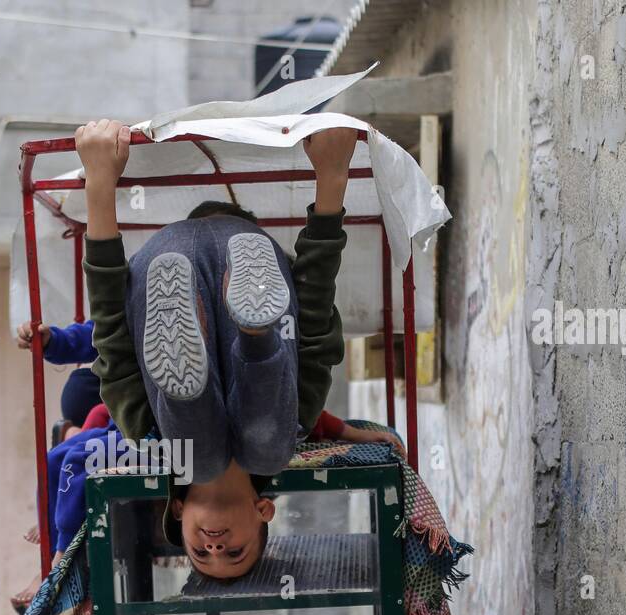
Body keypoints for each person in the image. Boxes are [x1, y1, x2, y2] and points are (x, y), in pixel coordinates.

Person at [76, 118, 401, 580]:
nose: (215, 547)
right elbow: (312, 311)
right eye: (235, 553)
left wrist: (100, 181)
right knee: (272, 448)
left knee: (189, 452)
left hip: (163, 269)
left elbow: (110, 327)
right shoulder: (292, 426)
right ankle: (254, 330)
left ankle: (209, 347)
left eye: (200, 553)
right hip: (247, 256)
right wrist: (332, 176)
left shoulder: (144, 436)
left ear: (178, 511)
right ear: (264, 511)